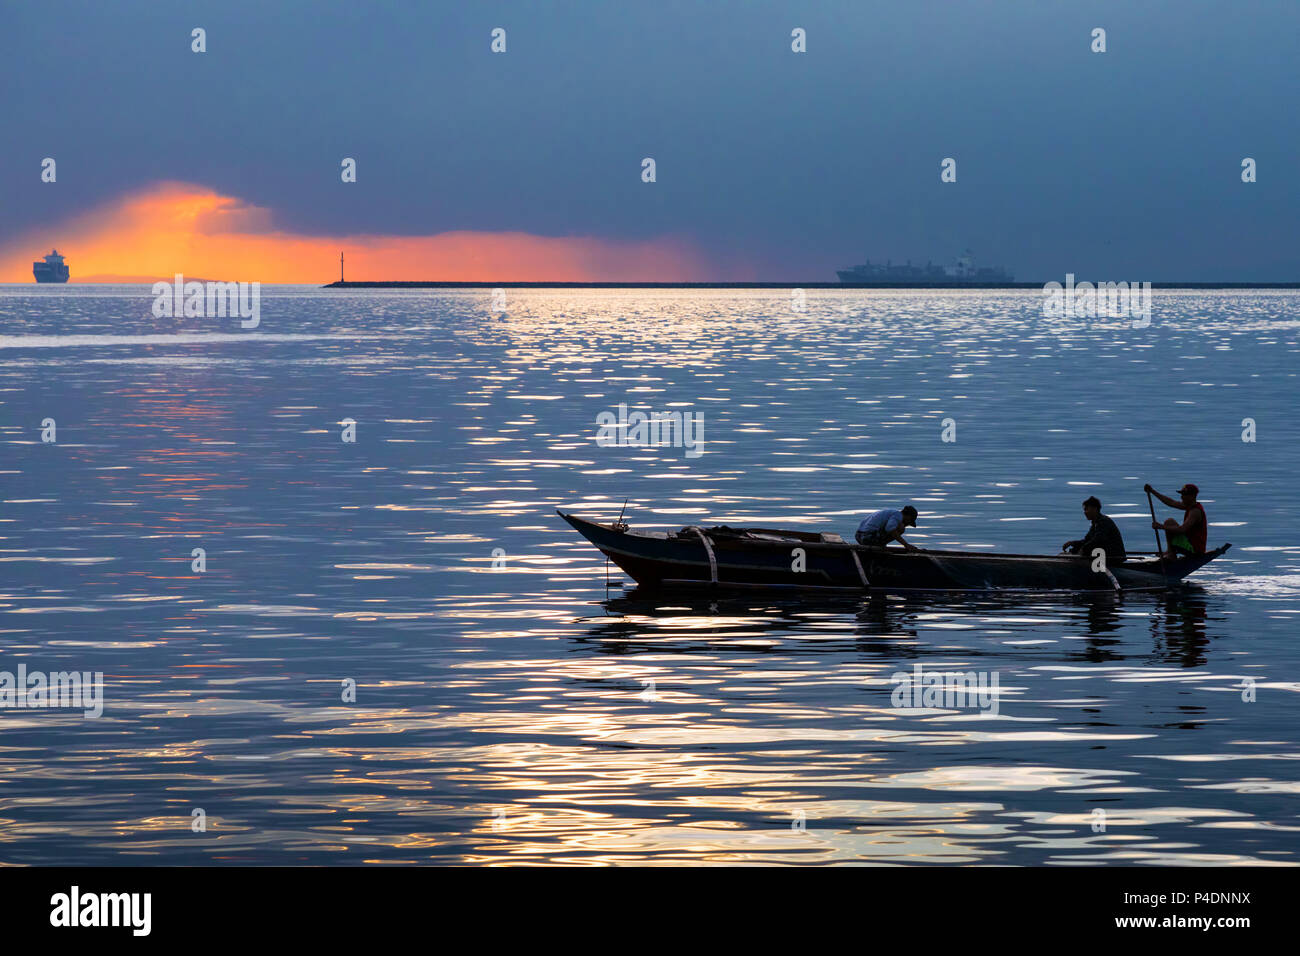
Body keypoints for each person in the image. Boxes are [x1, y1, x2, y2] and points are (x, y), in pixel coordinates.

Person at [1145, 482, 1207, 558]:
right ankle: (1170, 552)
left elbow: (1182, 529)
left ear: (1192, 496)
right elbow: (1171, 502)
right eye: (1182, 494)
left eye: (1184, 495)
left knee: (1169, 523)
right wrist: (1152, 491)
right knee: (1169, 521)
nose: (1182, 497)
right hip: (1189, 542)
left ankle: (1171, 554)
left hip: (1195, 549)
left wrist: (1161, 526)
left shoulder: (1195, 511)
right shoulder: (1189, 506)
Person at [1062, 496, 1127, 564]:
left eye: (1087, 509)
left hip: (1114, 557)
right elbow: (1087, 540)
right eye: (1084, 510)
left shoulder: (1104, 522)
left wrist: (1083, 549)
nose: (1085, 512)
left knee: (1084, 551)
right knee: (1076, 550)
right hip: (1105, 554)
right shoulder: (1095, 523)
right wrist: (1072, 543)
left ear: (1095, 509)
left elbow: (1098, 540)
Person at [856, 505, 920, 550]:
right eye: (909, 522)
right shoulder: (898, 515)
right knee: (901, 528)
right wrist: (906, 544)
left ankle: (881, 545)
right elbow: (890, 529)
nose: (907, 524)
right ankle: (880, 546)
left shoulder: (890, 513)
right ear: (908, 516)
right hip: (868, 537)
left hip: (859, 536)